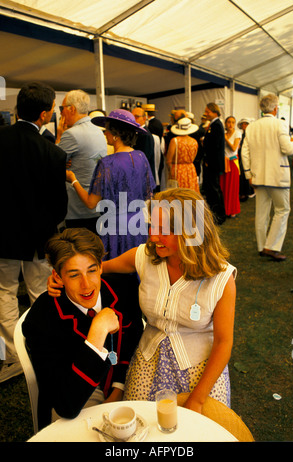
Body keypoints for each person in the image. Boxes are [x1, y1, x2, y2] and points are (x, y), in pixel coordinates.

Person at [101, 188, 236, 414]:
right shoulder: (143, 257)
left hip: (200, 370)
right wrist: (61, 277)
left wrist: (198, 399)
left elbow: (223, 343)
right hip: (148, 361)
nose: (153, 237)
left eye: (164, 230)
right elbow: (95, 269)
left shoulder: (222, 279)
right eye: (152, 226)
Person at [22, 228, 143, 430]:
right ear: (58, 277)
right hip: (78, 392)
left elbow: (133, 341)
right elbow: (66, 406)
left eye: (92, 270)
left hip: (124, 378)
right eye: (74, 274)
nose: (86, 285)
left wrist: (119, 387)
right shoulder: (41, 318)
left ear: (101, 267)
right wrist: (97, 332)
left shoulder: (124, 288)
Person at [0, 82, 68, 383]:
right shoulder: (52, 153)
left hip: (2, 235)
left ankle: (13, 357)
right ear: (43, 114)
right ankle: (42, 348)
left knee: (4, 293)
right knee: (41, 293)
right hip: (39, 237)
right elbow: (59, 207)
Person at [66, 109, 156, 260]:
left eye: (106, 130)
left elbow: (90, 203)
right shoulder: (141, 156)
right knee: (138, 265)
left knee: (116, 269)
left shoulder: (107, 163)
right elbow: (149, 194)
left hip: (115, 226)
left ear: (115, 134)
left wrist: (73, 180)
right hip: (138, 222)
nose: (104, 134)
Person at [242, 93, 293, 261]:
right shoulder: (280, 124)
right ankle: (271, 247)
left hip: (258, 176)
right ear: (275, 108)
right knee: (282, 210)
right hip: (278, 175)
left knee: (262, 213)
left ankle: (261, 246)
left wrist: (248, 174)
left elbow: (245, 152)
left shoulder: (251, 127)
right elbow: (287, 149)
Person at [56, 90, 107, 233]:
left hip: (77, 208)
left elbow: (52, 163)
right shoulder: (97, 131)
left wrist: (59, 135)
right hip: (96, 203)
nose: (61, 113)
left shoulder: (71, 134)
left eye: (62, 108)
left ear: (72, 109)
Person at [202, 103, 226, 225]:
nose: (206, 114)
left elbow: (214, 147)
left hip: (212, 164)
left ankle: (219, 216)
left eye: (208, 112)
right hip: (211, 164)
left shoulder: (216, 125)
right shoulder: (214, 125)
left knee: (214, 190)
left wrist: (207, 161)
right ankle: (216, 214)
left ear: (214, 112)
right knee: (212, 190)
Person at [166, 118, 200, 193]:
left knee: (178, 194)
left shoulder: (175, 141)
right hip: (191, 169)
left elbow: (168, 160)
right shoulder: (194, 141)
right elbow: (193, 157)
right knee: (191, 193)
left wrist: (170, 172)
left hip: (177, 169)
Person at [220, 116, 241, 218]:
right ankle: (224, 209)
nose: (230, 124)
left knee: (232, 187)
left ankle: (233, 210)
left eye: (233, 122)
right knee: (224, 185)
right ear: (225, 123)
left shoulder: (237, 133)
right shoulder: (223, 133)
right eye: (229, 122)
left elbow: (233, 148)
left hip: (233, 162)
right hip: (224, 162)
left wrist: (226, 139)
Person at [132, 106, 156, 180]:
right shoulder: (137, 132)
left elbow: (145, 158)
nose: (133, 119)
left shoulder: (145, 134)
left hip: (144, 175)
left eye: (136, 117)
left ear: (144, 118)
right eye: (132, 117)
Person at [237, 118, 255, 201]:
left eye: (246, 124)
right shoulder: (241, 134)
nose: (244, 125)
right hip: (241, 157)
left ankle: (247, 192)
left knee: (246, 174)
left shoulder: (250, 135)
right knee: (242, 175)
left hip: (248, 157)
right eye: (243, 124)